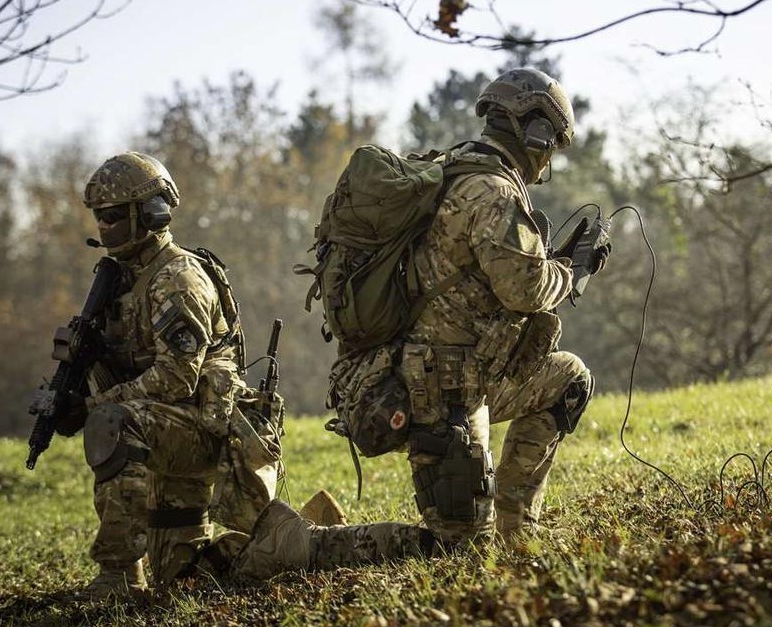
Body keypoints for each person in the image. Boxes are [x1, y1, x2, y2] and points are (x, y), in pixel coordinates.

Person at [234, 67, 607, 580]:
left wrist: (555, 265)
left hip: (465, 378)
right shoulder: (492, 191)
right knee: (459, 550)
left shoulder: (454, 171)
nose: (545, 165)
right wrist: (573, 271)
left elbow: (498, 283)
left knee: (566, 380)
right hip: (434, 394)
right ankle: (298, 545)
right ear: (536, 131)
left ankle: (518, 534)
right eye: (550, 146)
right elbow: (525, 290)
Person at [57, 151, 293, 598]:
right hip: (170, 428)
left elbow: (177, 378)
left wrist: (90, 407)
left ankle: (119, 576)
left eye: (111, 215)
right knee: (184, 578)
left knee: (113, 422)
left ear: (148, 213)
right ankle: (284, 546)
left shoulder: (176, 277)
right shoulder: (123, 279)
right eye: (98, 217)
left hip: (203, 433)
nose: (102, 227)